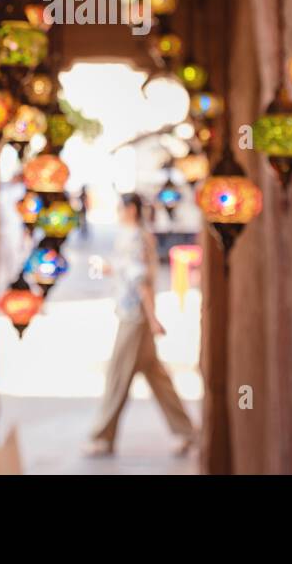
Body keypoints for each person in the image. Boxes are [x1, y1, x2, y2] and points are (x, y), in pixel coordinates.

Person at [84, 193, 196, 456]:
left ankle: (102, 434)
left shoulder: (135, 237)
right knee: (156, 376)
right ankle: (185, 430)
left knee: (118, 374)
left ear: (131, 209)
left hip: (135, 315)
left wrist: (152, 317)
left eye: (121, 207)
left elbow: (141, 282)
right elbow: (129, 272)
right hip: (134, 313)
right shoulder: (132, 235)